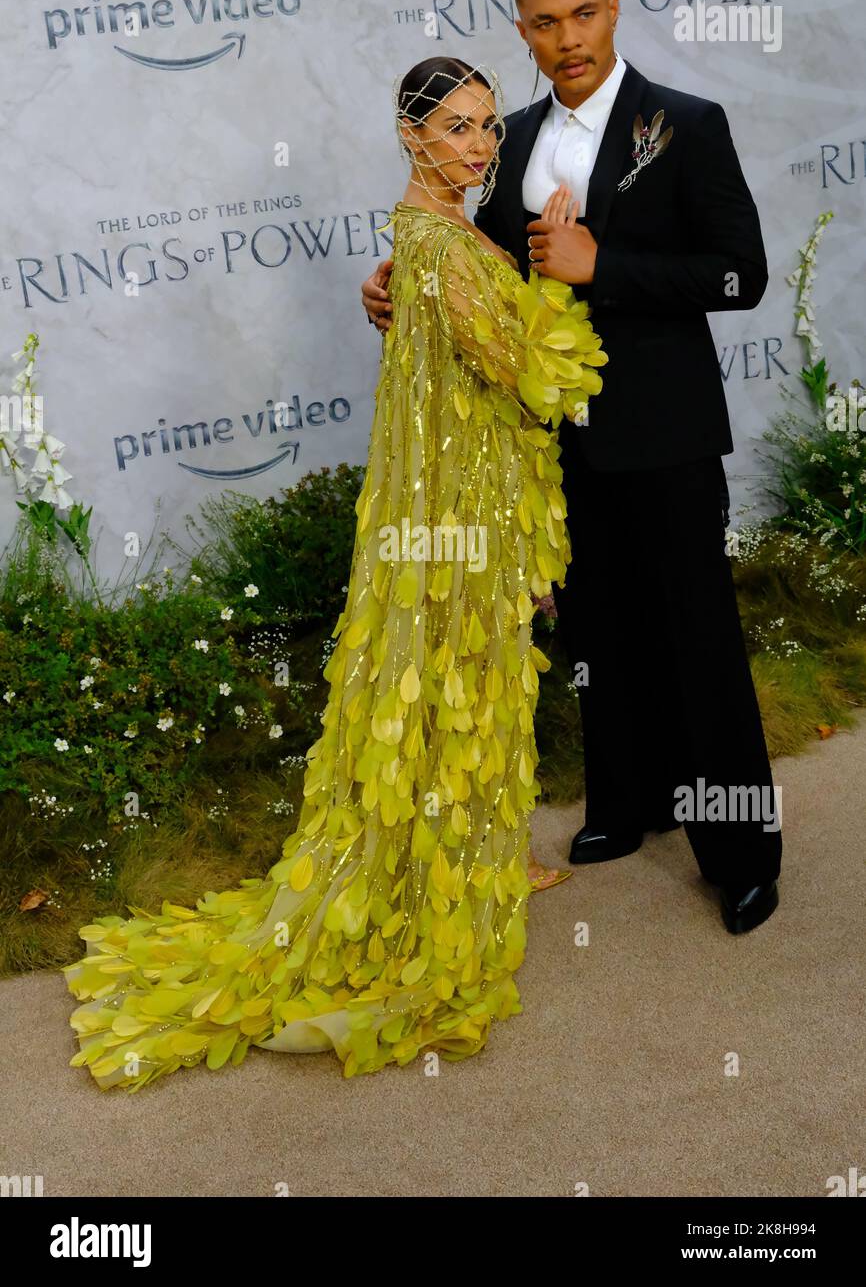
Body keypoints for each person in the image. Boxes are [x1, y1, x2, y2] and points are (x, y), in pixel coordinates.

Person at [61, 57, 608, 1090]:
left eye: (487, 127)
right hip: (456, 528)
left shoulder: (425, 242)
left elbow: (460, 372)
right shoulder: (440, 249)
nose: (479, 147)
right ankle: (431, 891)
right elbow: (540, 376)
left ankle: (477, 864)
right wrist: (564, 281)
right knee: (460, 692)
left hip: (460, 513)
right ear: (408, 136)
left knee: (468, 694)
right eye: (455, 128)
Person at [362, 0, 782, 935]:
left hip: (666, 434)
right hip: (553, 442)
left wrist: (606, 265)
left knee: (697, 637)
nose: (566, 39)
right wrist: (397, 290)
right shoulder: (502, 139)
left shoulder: (685, 125)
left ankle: (739, 852)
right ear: (523, 30)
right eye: (543, 22)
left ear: (612, 8)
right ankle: (625, 805)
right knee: (599, 634)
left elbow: (739, 273)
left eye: (581, 14)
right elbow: (480, 272)